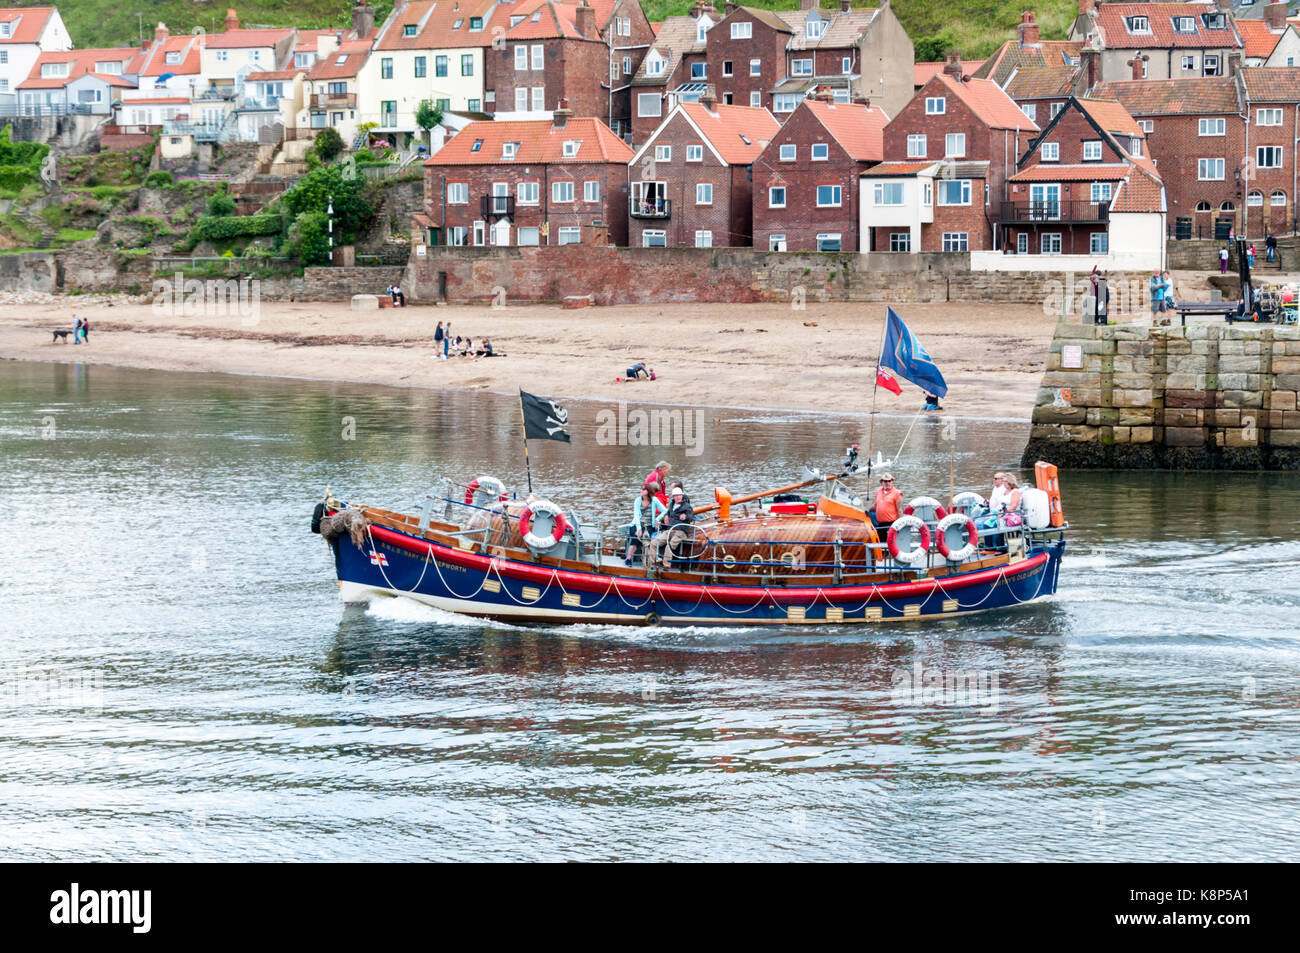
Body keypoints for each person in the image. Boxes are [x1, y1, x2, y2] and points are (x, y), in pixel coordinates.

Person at [650, 485, 695, 568]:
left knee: (669, 546)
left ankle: (666, 566)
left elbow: (691, 516)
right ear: (673, 497)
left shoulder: (687, 507)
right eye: (676, 496)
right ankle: (651, 564)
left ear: (682, 495)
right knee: (653, 543)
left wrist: (685, 516)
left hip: (681, 531)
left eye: (679, 495)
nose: (678, 497)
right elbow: (668, 512)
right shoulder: (671, 505)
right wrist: (667, 515)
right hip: (670, 530)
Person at [626, 484, 666, 565]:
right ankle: (628, 559)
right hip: (637, 524)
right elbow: (636, 515)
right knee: (635, 536)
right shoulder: (638, 500)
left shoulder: (654, 500)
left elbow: (665, 511)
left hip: (649, 525)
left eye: (643, 489)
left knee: (646, 538)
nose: (641, 490)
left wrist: (657, 519)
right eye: (641, 489)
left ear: (648, 491)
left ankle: (644, 559)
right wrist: (638, 528)